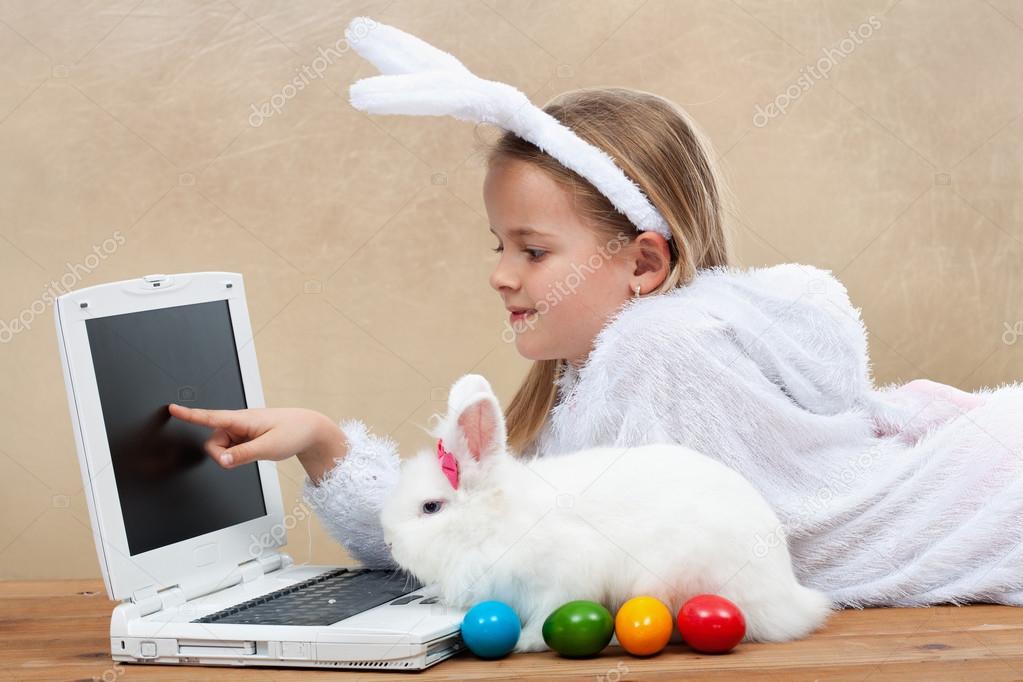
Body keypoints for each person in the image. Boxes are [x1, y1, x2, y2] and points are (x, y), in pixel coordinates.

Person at [169, 21, 1023, 609]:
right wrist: (324, 442)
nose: (501, 276)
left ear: (641, 263)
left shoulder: (660, 351)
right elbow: (466, 532)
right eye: (497, 245)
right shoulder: (606, 366)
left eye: (531, 250)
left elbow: (518, 557)